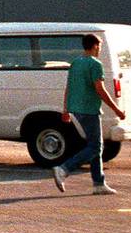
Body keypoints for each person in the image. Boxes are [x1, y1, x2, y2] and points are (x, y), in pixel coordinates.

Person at [54, 34, 125, 195]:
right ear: (94, 46)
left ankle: (98, 183)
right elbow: (100, 89)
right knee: (95, 146)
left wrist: (65, 110)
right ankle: (64, 169)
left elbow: (68, 88)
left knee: (95, 146)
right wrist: (117, 110)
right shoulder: (95, 64)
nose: (99, 49)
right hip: (89, 110)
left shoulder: (76, 63)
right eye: (99, 46)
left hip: (77, 109)